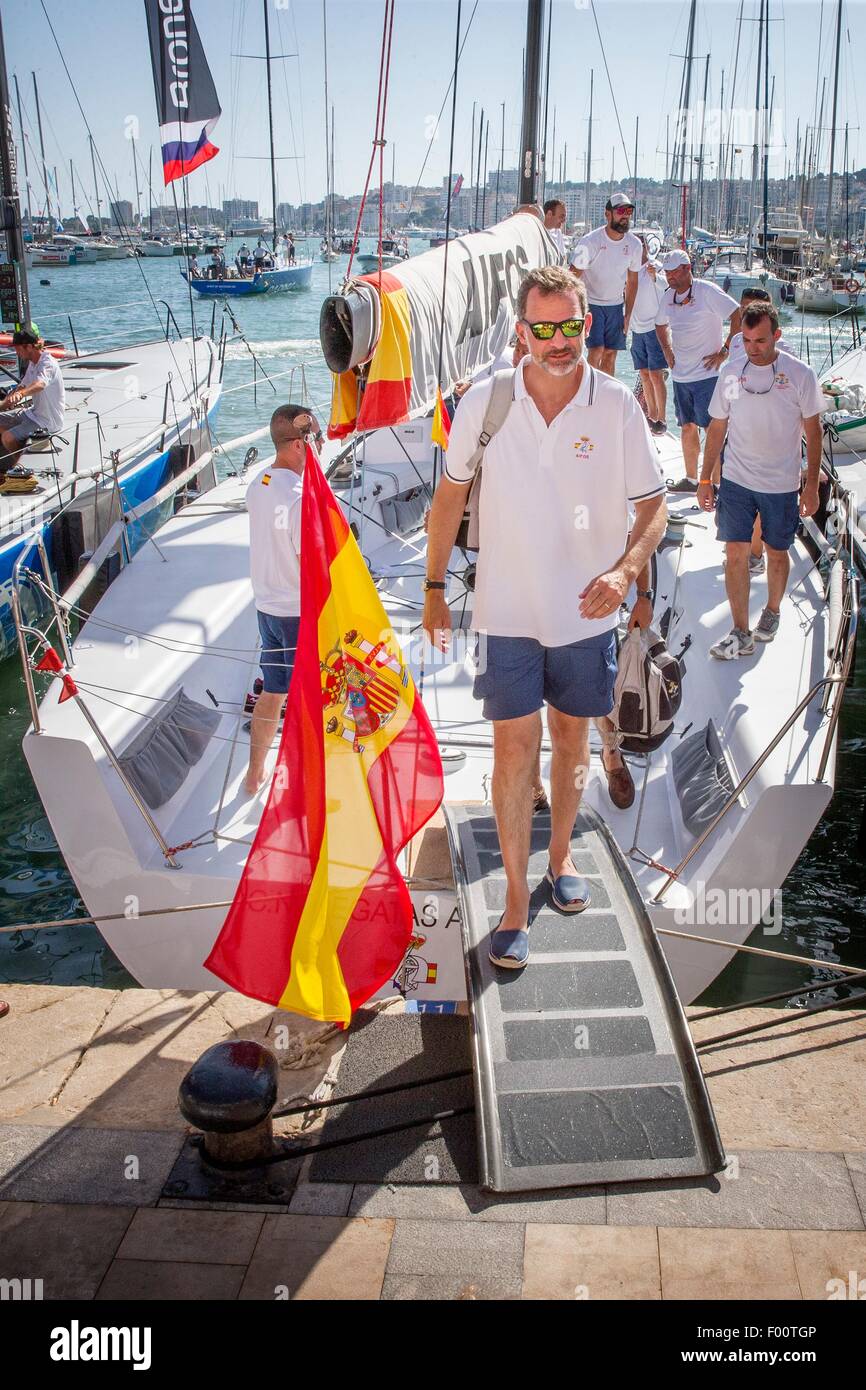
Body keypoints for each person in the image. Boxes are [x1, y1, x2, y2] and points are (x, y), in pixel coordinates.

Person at [423, 266, 666, 968]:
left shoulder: (616, 405)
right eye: (543, 329)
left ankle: (561, 860)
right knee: (511, 753)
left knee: (571, 744)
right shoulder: (486, 402)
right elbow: (447, 500)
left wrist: (624, 572)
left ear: (587, 325)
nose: (558, 342)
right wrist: (434, 587)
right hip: (504, 613)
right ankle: (515, 903)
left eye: (570, 327)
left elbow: (653, 508)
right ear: (521, 332)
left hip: (586, 620)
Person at [698, 301, 824, 659]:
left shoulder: (801, 375)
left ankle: (772, 610)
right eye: (747, 340)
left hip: (781, 484)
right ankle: (740, 632)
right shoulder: (730, 374)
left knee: (777, 552)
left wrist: (811, 485)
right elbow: (718, 425)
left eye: (761, 341)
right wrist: (705, 478)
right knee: (734, 552)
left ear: (777, 337)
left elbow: (813, 432)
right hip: (737, 479)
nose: (754, 348)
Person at [244, 404, 323, 794]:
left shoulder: (257, 483)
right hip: (296, 613)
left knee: (273, 692)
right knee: (309, 702)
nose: (319, 449)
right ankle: (303, 786)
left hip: (266, 608)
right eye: (316, 440)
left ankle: (254, 772)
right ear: (298, 444)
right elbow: (309, 565)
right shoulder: (298, 499)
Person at [661, 249, 741, 492]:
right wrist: (667, 350)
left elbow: (737, 314)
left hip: (708, 374)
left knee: (711, 428)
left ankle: (715, 482)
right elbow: (659, 323)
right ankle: (691, 479)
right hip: (680, 374)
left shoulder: (706, 291)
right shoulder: (668, 296)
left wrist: (725, 351)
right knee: (686, 427)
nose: (669, 277)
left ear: (687, 269)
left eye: (674, 271)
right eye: (666, 273)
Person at [568, 192, 642, 377]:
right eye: (620, 211)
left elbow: (632, 281)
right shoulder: (590, 241)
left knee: (611, 354)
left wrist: (628, 315)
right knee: (596, 351)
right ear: (608, 214)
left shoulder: (634, 245)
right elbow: (572, 276)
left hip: (615, 306)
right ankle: (591, 391)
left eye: (628, 211)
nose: (625, 215)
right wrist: (572, 310)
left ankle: (606, 394)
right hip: (591, 304)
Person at [0, 328, 66, 473]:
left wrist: (22, 394)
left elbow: (40, 384)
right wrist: (5, 402)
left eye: (18, 349)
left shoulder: (47, 363)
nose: (16, 353)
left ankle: (18, 466)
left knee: (7, 437)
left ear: (29, 346)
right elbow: (22, 386)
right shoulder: (33, 363)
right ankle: (20, 443)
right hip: (33, 414)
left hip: (47, 422)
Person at [630, 237, 672, 435]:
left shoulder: (656, 266)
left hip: (654, 327)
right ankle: (651, 416)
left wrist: (655, 276)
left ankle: (662, 419)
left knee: (656, 374)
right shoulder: (629, 271)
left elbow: (667, 286)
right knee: (644, 374)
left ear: (645, 248)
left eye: (641, 247)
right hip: (636, 328)